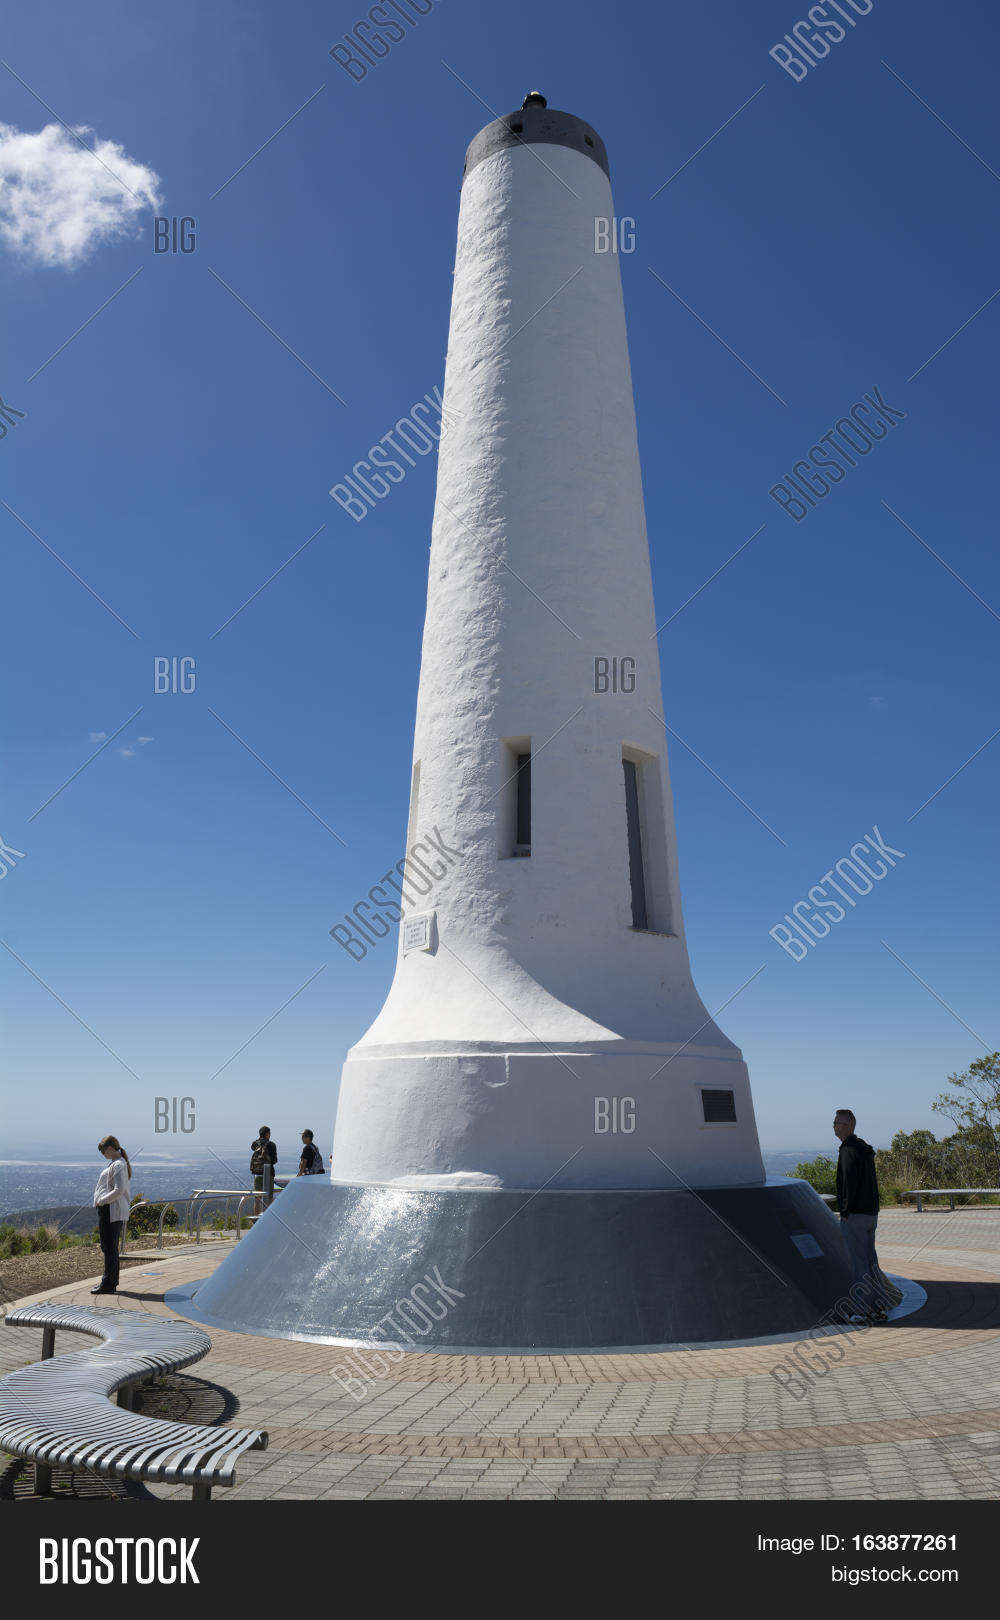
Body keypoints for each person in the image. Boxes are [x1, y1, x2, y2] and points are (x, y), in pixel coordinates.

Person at [834, 1109, 892, 1323]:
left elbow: (849, 1182)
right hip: (871, 1213)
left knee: (859, 1264)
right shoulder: (864, 1150)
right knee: (870, 1262)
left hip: (856, 1216)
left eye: (837, 1123)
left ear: (847, 1125)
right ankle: (879, 1307)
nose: (834, 1126)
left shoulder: (848, 1150)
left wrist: (845, 1211)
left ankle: (861, 1310)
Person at [92, 1135, 132, 1295]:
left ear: (109, 1148)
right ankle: (110, 1282)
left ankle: (108, 1284)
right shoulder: (118, 1163)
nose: (103, 1155)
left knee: (109, 1248)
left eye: (103, 1152)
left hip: (111, 1211)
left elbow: (119, 1190)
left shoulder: (118, 1165)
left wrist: (101, 1201)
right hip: (110, 1210)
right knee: (109, 1248)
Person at [250, 1126, 277, 1212]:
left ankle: (256, 1221)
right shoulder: (271, 1145)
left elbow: (253, 1145)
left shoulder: (255, 1144)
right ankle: (267, 1221)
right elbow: (274, 1160)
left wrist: (259, 1138)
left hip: (257, 1174)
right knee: (269, 1198)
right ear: (267, 1134)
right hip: (269, 1174)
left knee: (257, 1199)